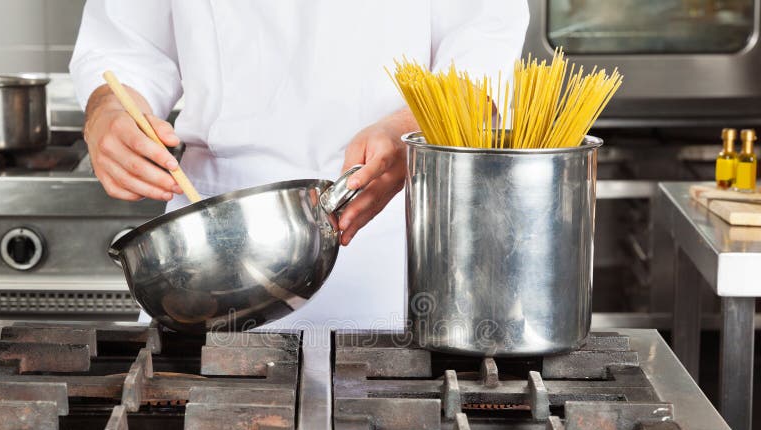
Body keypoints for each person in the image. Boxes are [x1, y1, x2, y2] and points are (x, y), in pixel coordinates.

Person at [70, 1, 529, 330]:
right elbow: (125, 48)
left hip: (387, 241)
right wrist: (108, 112)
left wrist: (412, 131)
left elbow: (483, 44)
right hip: (209, 256)